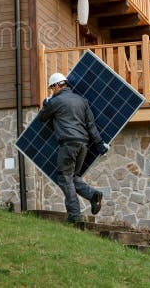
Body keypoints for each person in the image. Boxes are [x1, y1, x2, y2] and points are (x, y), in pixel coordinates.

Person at [37, 71, 108, 223]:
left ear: (57, 85)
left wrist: (46, 104)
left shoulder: (55, 102)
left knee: (64, 178)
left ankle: (74, 216)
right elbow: (91, 125)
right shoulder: (82, 101)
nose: (52, 91)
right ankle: (93, 195)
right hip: (83, 144)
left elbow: (42, 118)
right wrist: (99, 144)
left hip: (68, 144)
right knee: (73, 177)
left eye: (51, 88)